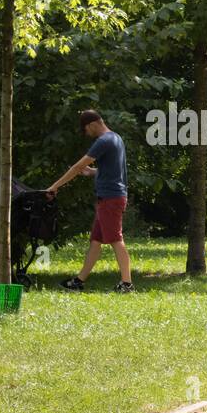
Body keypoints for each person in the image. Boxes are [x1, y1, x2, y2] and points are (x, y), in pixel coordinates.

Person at [47, 110, 133, 293]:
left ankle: (127, 284)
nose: (86, 134)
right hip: (109, 198)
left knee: (116, 239)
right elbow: (112, 171)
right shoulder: (115, 138)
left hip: (111, 198)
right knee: (95, 241)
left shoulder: (103, 141)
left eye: (86, 129)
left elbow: (78, 165)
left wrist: (54, 186)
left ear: (93, 124)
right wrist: (92, 172)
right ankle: (78, 281)